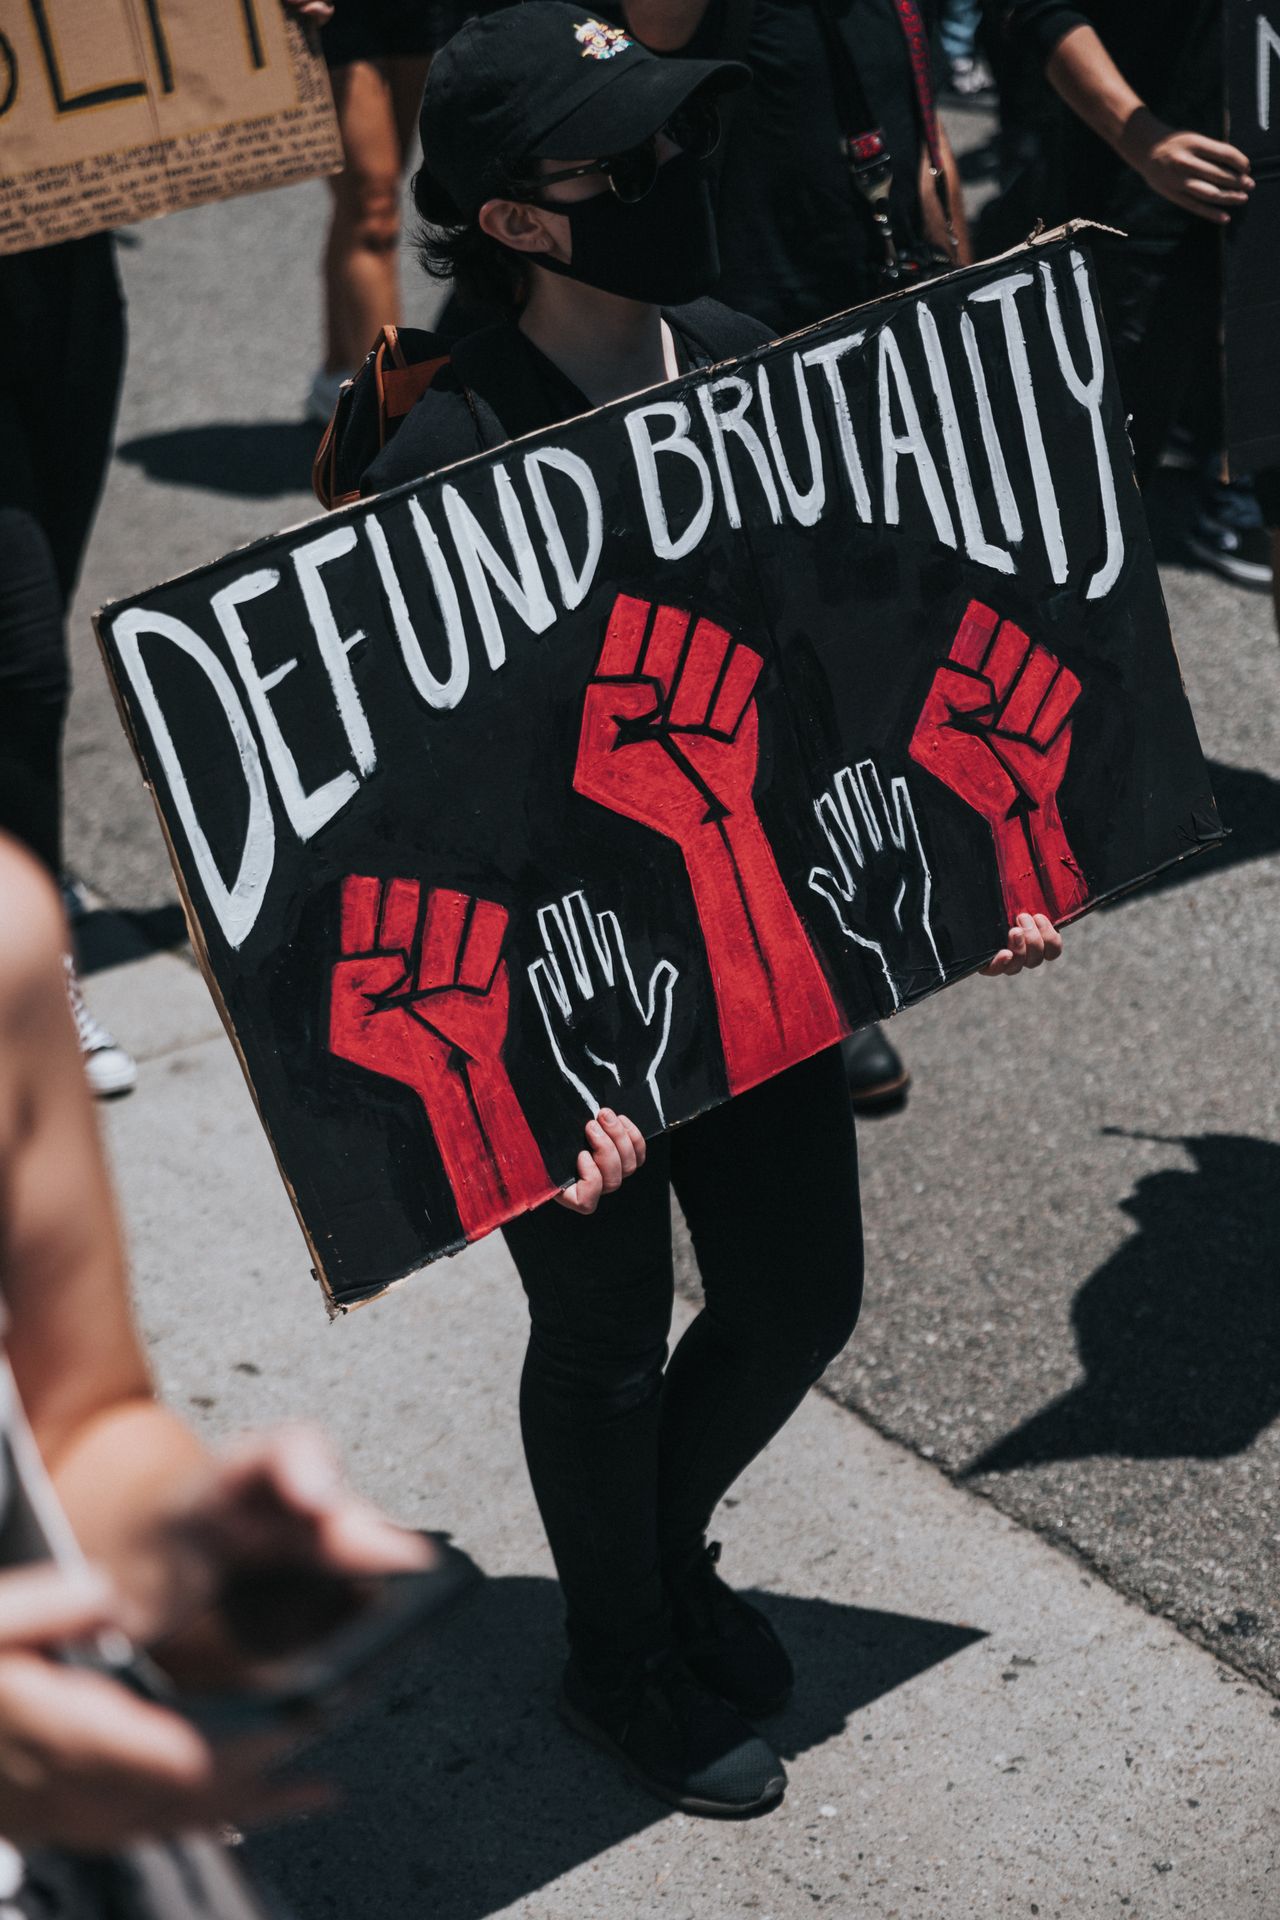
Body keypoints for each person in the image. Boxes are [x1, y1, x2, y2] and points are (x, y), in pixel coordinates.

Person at [356, 1, 1068, 1818]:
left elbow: (840, 667)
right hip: (559, 993)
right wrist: (524, 1074)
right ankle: (617, 1658)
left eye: (678, 132)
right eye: (630, 156)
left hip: (753, 947)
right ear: (516, 219)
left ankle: (654, 1565)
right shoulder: (447, 449)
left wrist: (966, 868)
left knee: (798, 1296)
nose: (678, 167)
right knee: (604, 1343)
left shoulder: (746, 356)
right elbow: (424, 810)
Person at [619, 0, 973, 1112]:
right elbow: (656, 27)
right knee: (758, 656)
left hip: (867, 284)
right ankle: (820, 969)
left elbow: (907, 81)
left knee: (858, 636)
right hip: (738, 314)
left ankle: (859, 906)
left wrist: (951, 259)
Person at [1004, 0, 1280, 594]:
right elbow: (1035, 9)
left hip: (1258, 208)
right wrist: (1140, 136)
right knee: (1086, 511)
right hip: (1144, 203)